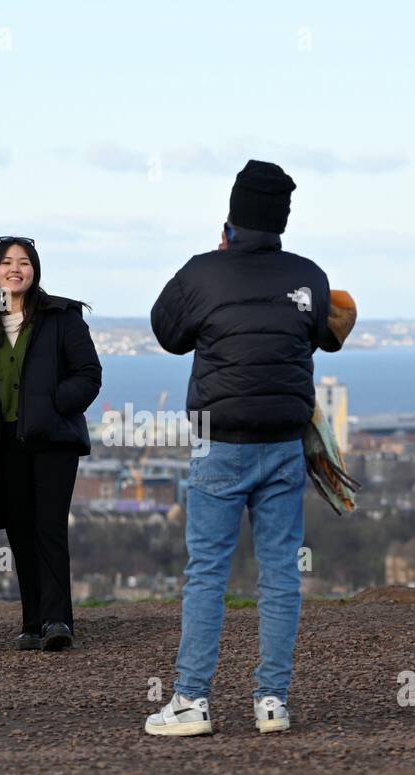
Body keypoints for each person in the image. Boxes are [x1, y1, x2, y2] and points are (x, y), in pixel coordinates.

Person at [145, 160, 344, 735]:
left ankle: (190, 702)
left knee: (207, 571)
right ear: (281, 220)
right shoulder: (308, 274)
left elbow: (167, 333)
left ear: (230, 219)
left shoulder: (203, 273)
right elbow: (318, 336)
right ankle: (271, 702)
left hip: (220, 441)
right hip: (285, 443)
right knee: (280, 572)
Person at [0, 237, 101, 651]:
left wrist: (52, 405)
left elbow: (88, 374)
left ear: (35, 270)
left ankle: (57, 620)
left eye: (24, 262)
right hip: (5, 443)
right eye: (7, 262)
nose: (16, 269)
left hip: (53, 441)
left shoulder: (61, 316)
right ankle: (32, 620)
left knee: (48, 527)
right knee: (19, 531)